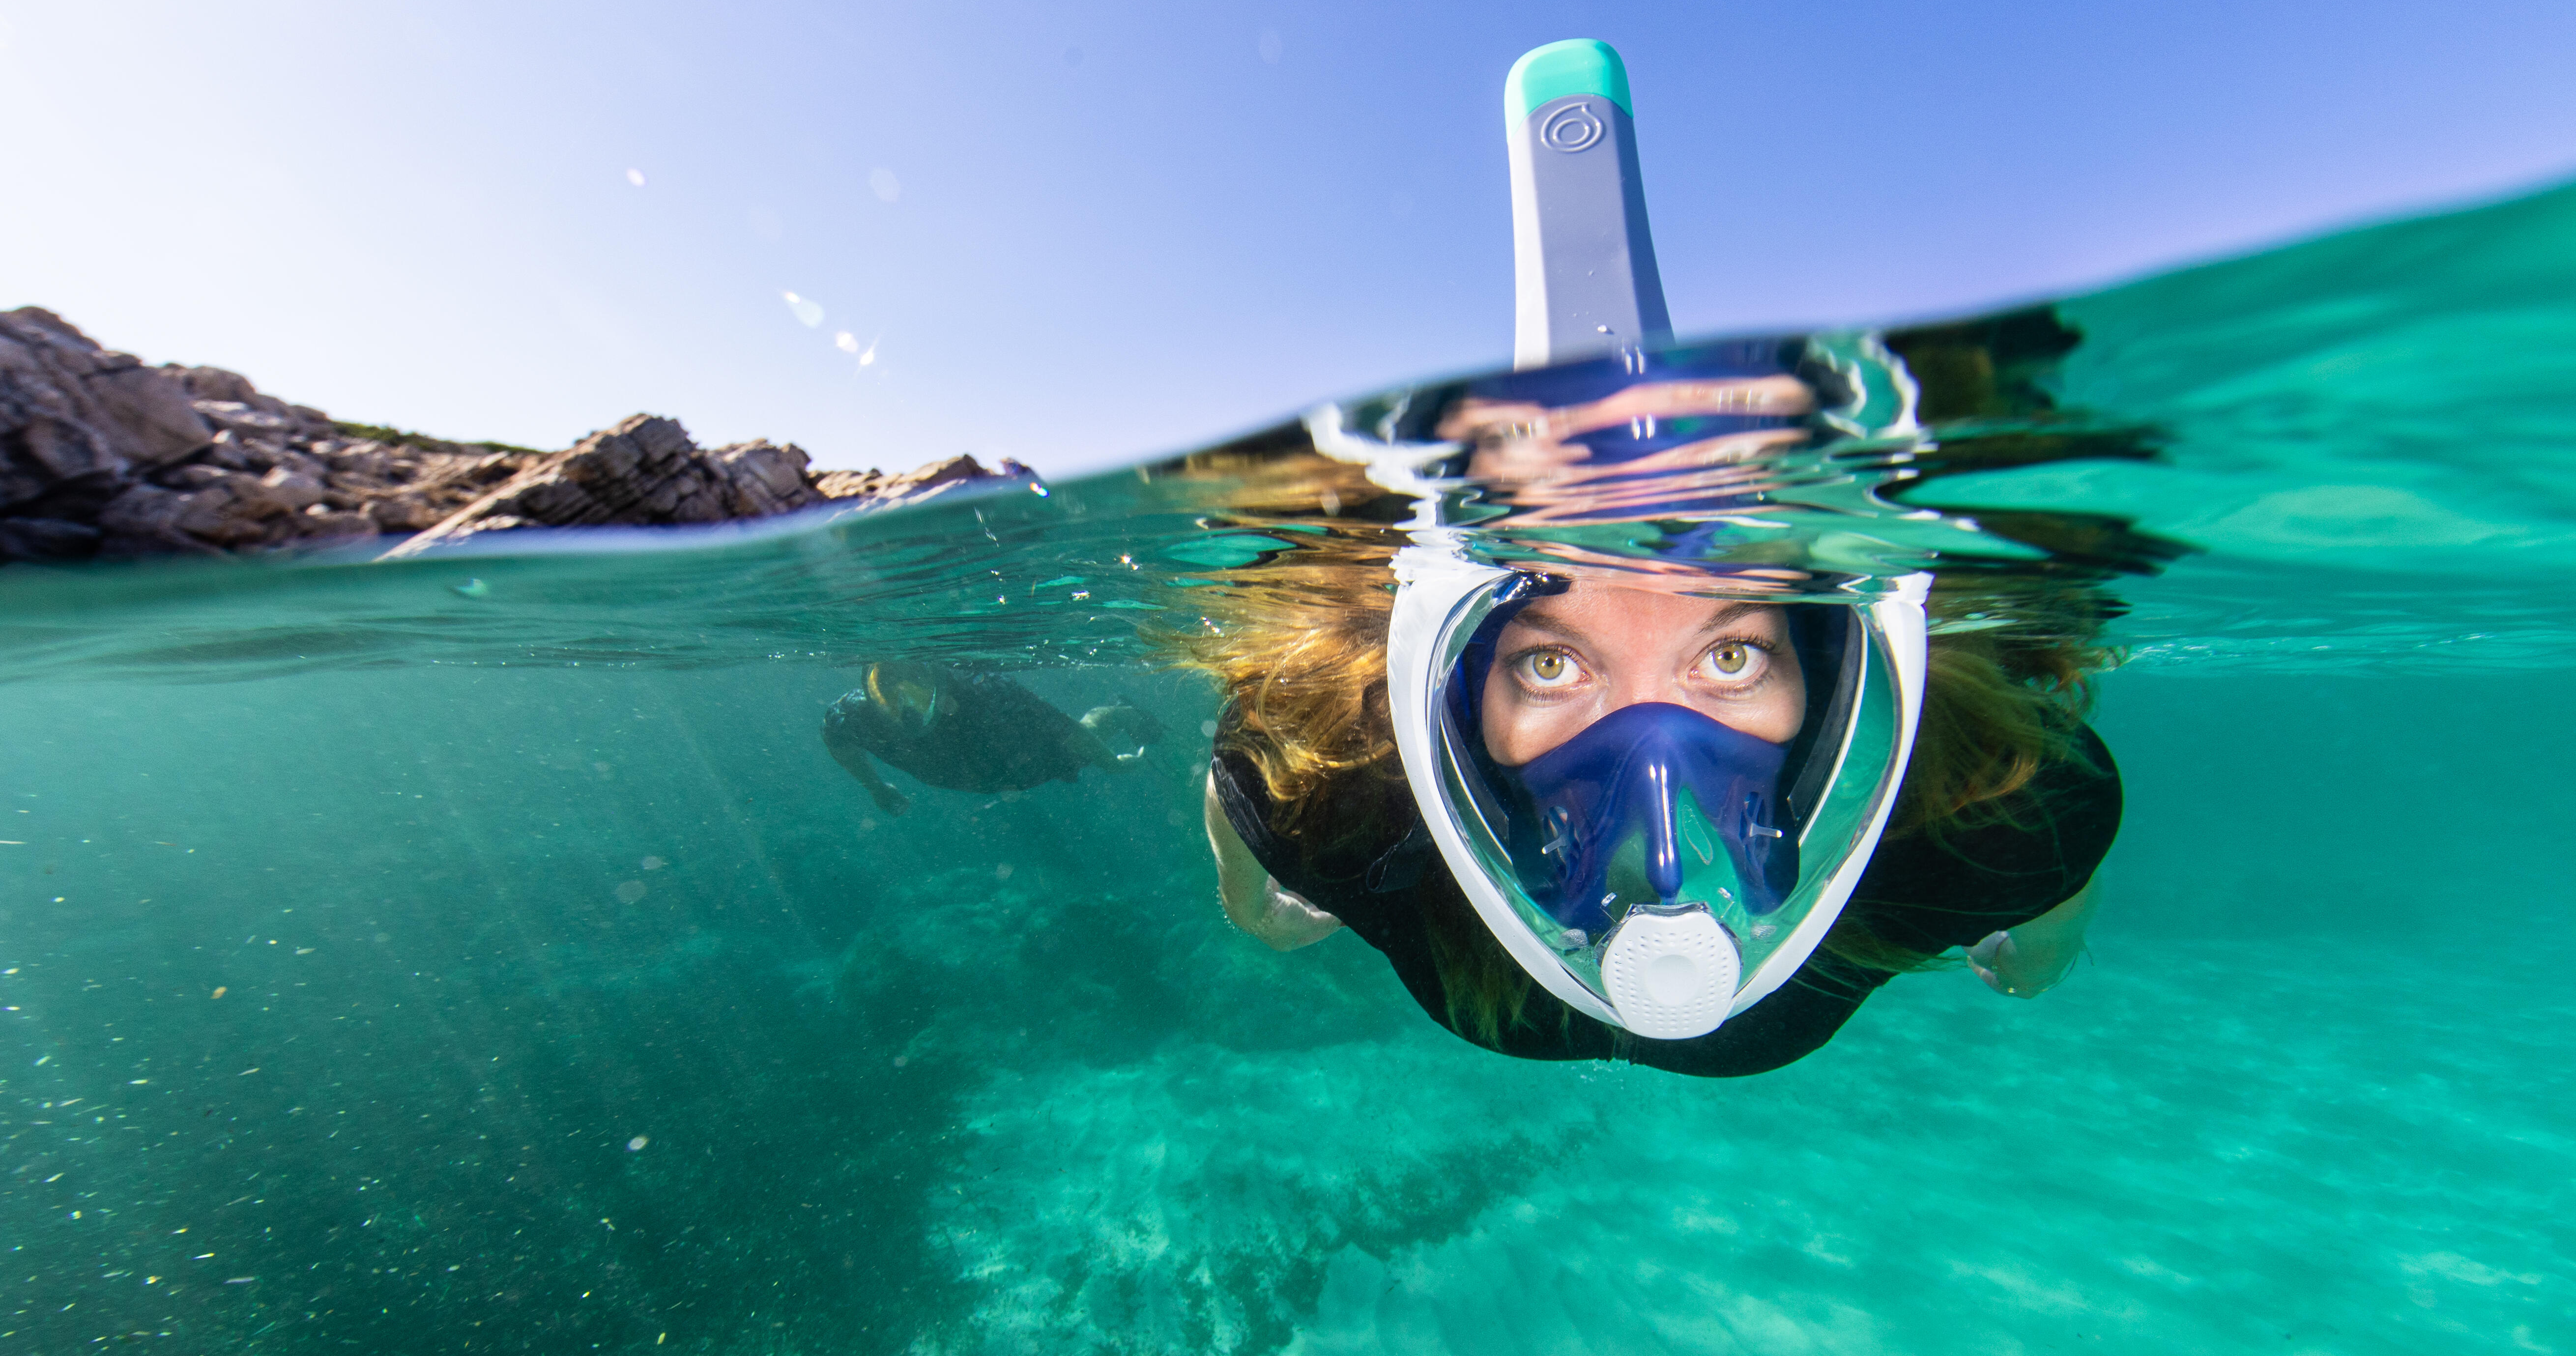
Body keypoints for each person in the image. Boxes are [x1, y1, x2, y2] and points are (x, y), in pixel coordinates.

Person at [1171, 334, 2150, 1078]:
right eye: (1551, 665)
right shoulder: (1345, 796)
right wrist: (1253, 895)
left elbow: (2056, 856)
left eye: (1730, 656)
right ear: (1461, 688)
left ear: (1822, 674)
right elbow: (1251, 778)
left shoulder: (1981, 815)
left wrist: (2043, 939)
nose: (1653, 769)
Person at [822, 660, 1161, 816]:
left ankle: (1128, 713)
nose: (905, 702)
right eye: (887, 687)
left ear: (940, 684)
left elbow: (1070, 732)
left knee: (1093, 730)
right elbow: (835, 737)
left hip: (1026, 762)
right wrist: (875, 787)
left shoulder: (988, 692)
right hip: (975, 775)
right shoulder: (855, 715)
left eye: (916, 682)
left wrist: (1112, 764)